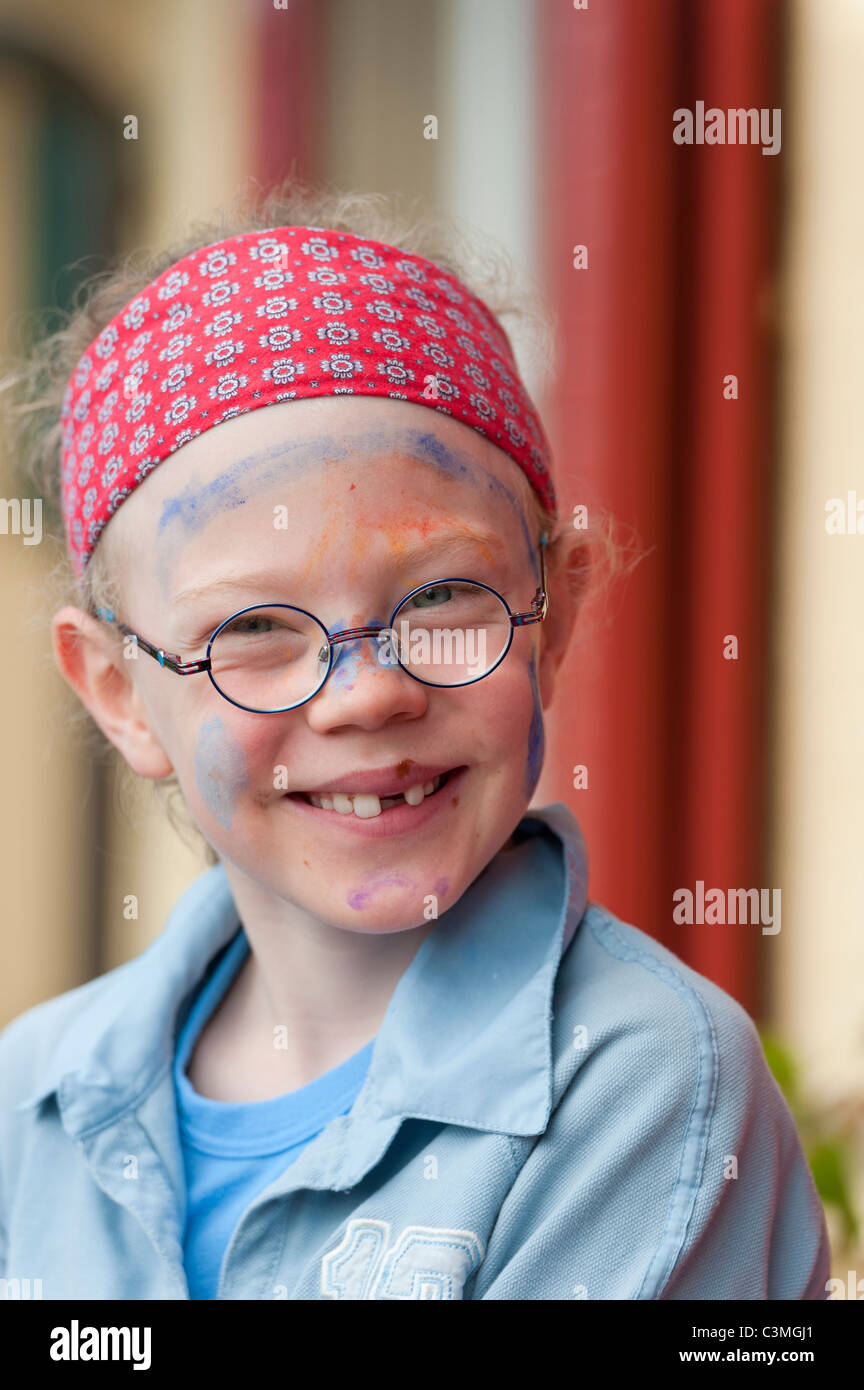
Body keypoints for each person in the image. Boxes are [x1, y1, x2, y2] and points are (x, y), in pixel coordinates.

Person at [0, 183, 830, 1300]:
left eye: (441, 599)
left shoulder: (649, 1085)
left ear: (559, 612)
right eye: (253, 628)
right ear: (118, 691)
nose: (366, 694)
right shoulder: (33, 1099)